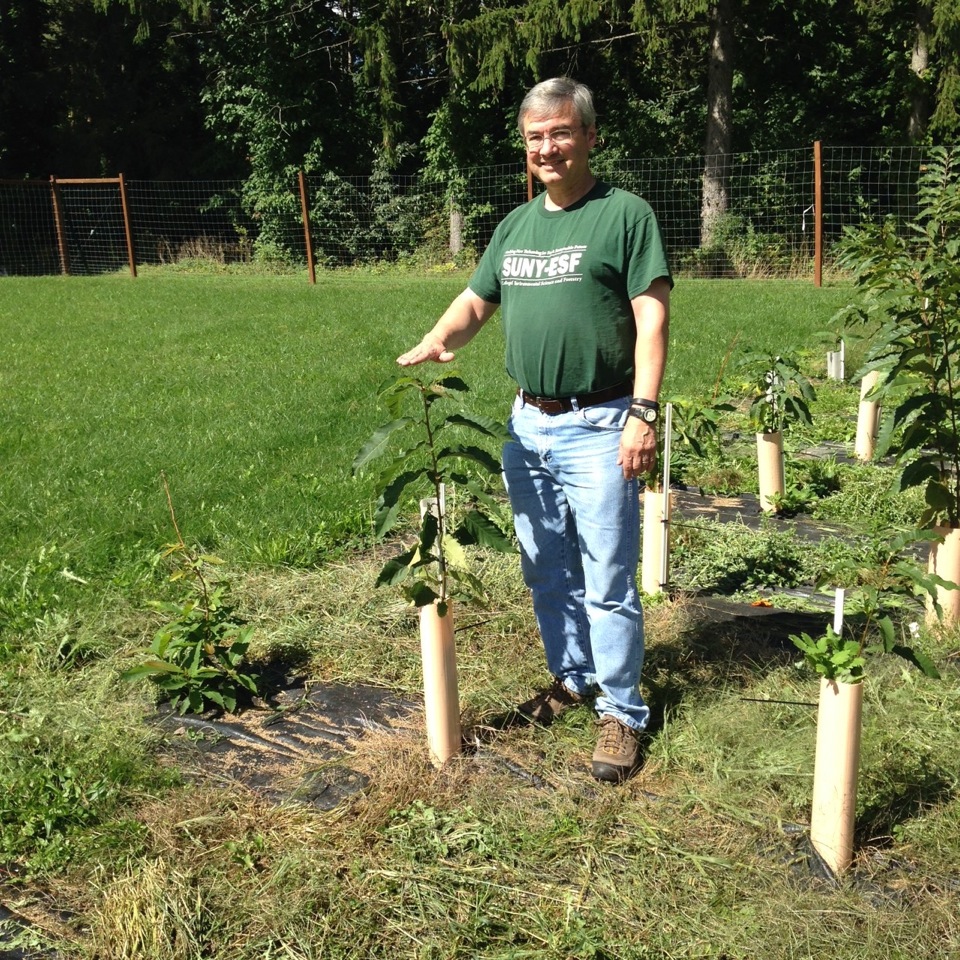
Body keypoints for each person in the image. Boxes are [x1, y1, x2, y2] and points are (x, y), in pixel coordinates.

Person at [397, 77, 672, 783]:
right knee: (546, 567)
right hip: (528, 425)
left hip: (602, 420)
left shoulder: (625, 215)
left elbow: (652, 319)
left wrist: (643, 412)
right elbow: (475, 301)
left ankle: (621, 712)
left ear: (589, 137)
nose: (546, 148)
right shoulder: (515, 227)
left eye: (560, 133)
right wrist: (439, 337)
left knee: (607, 577)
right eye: (534, 137)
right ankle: (573, 677)